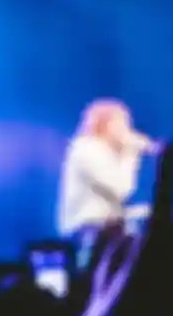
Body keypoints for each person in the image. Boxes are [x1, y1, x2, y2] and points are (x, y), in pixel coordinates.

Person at [56, 99, 159, 257]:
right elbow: (121, 189)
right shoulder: (88, 149)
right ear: (106, 124)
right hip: (89, 231)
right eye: (123, 123)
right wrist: (131, 152)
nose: (128, 130)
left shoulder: (102, 151)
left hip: (103, 230)